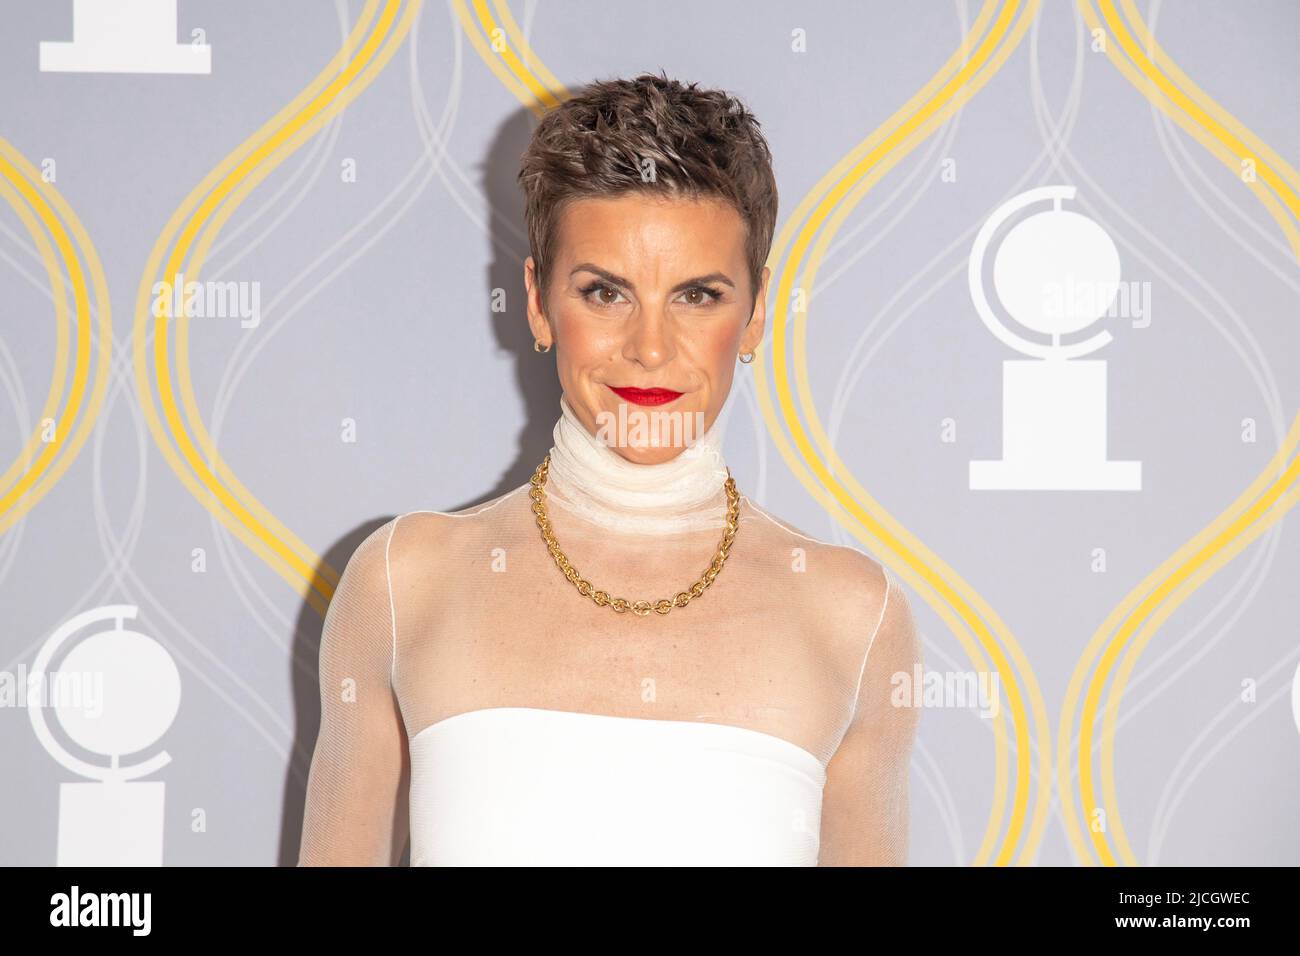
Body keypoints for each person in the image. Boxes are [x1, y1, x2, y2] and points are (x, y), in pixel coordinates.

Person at [297, 71, 922, 866]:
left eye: (697, 295)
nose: (651, 350)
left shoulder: (853, 618)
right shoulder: (403, 582)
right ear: (536, 301)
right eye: (605, 292)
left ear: (757, 311)